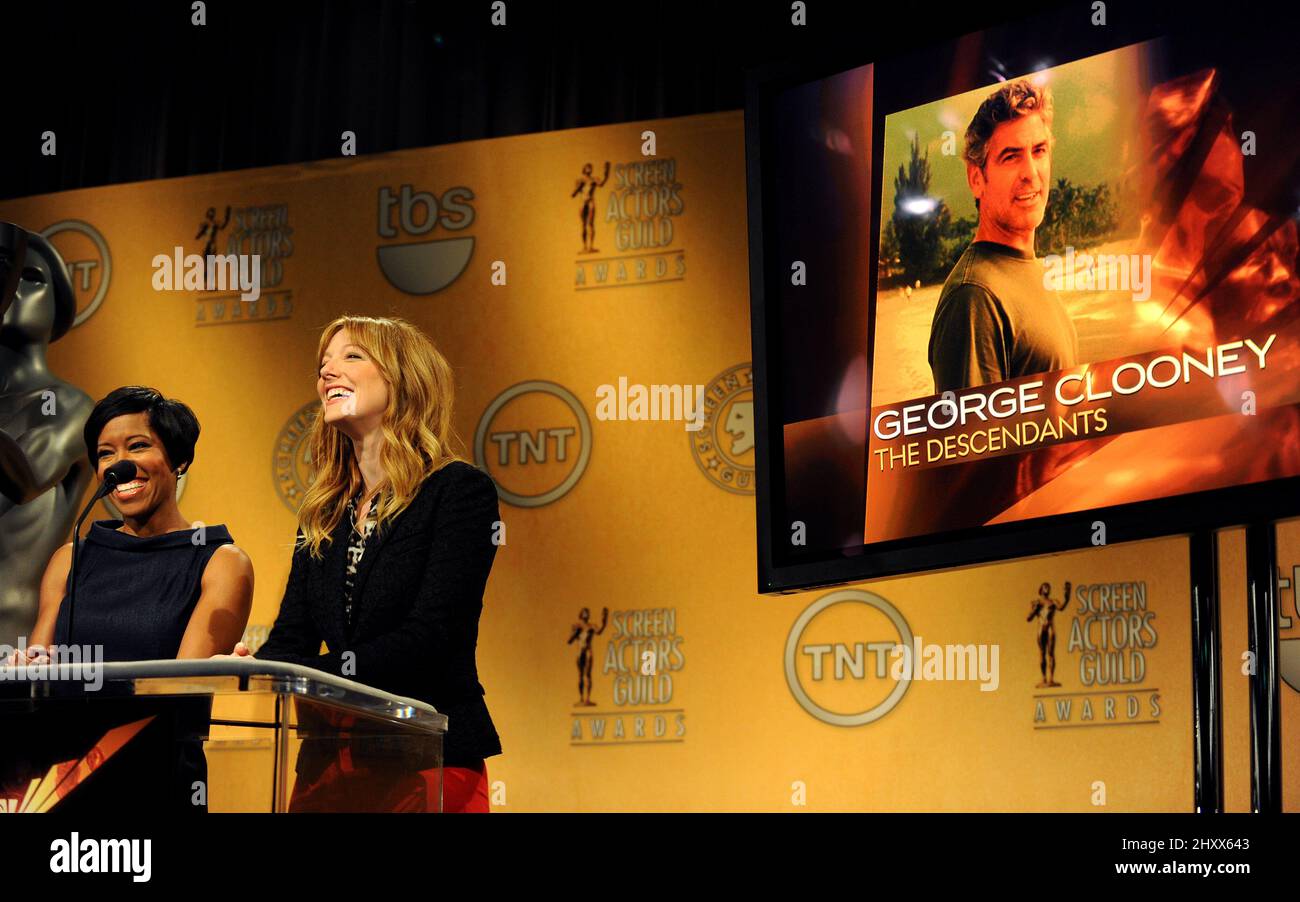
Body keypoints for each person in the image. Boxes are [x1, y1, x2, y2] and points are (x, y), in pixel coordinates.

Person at [232, 314, 503, 813]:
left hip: (427, 756)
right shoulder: (323, 510)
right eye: (323, 363)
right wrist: (261, 666)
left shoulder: (456, 491)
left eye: (351, 356)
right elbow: (293, 635)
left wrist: (314, 673)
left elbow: (433, 634)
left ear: (404, 378)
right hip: (330, 763)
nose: (327, 373)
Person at [7, 386, 253, 812]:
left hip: (154, 779)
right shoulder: (70, 560)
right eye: (105, 454)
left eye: (138, 446)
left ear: (179, 460)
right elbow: (36, 678)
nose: (119, 465)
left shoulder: (219, 561)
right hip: (55, 783)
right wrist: (23, 668)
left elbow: (178, 695)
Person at [928, 79, 1078, 394]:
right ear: (976, 178)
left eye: (1039, 151)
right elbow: (970, 441)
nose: (1030, 172)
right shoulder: (974, 297)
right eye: (1011, 157)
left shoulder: (1026, 269)